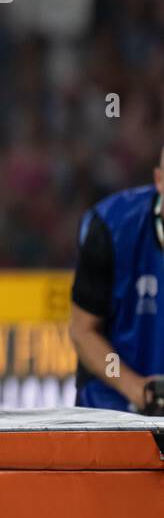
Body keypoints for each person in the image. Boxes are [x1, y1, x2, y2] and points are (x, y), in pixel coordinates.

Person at [68, 144, 164, 413]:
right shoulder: (111, 228)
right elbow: (82, 330)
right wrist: (139, 390)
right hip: (112, 407)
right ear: (159, 180)